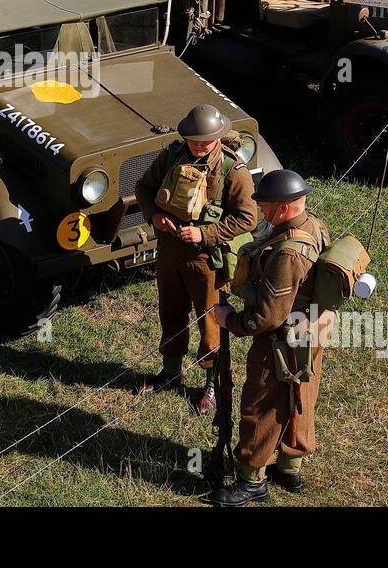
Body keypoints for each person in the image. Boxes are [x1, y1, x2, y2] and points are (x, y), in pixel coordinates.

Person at [208, 168, 330, 506]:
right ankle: (290, 466)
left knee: (261, 404)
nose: (260, 210)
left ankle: (251, 479)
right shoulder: (314, 225)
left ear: (285, 207)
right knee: (301, 396)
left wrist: (230, 319)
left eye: (265, 205)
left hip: (282, 339)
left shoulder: (288, 252)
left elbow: (266, 316)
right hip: (311, 330)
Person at [135, 105, 257, 415]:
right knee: (171, 312)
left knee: (211, 322)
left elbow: (247, 218)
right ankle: (171, 372)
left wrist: (205, 234)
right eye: (194, 141)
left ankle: (211, 385)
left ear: (217, 137)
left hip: (207, 260)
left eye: (205, 141)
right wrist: (155, 216)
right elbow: (144, 188)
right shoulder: (172, 155)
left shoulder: (233, 169)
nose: (199, 147)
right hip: (170, 251)